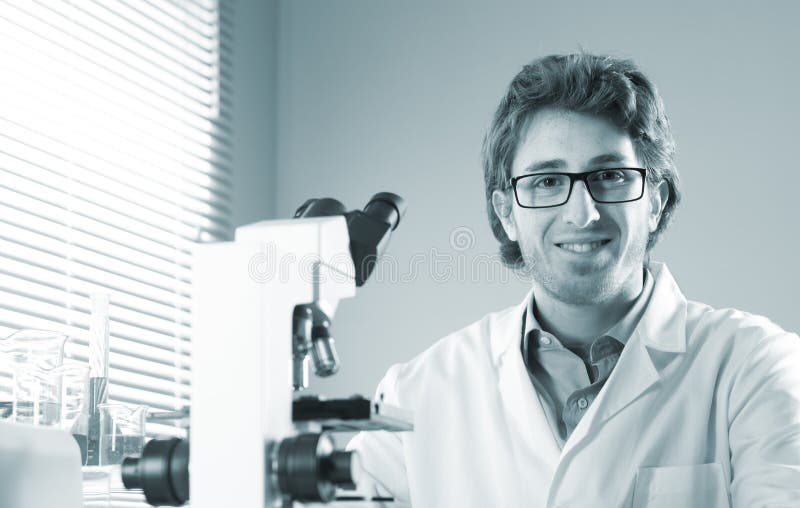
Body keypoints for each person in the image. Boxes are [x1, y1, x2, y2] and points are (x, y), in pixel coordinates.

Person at [347, 53, 800, 507]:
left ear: (656, 202)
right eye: (546, 181)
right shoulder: (416, 395)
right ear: (506, 212)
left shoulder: (755, 368)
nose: (582, 214)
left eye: (610, 176)